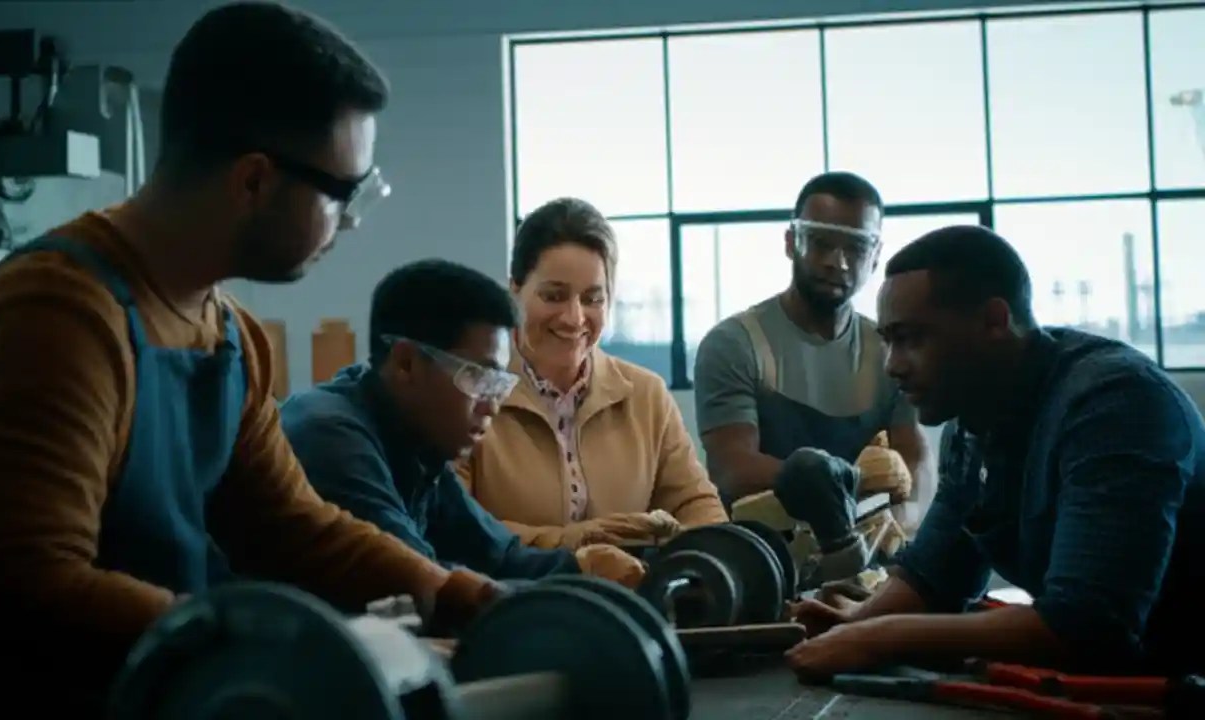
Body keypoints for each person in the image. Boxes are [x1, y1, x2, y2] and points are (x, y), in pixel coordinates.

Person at [0, 3, 502, 713]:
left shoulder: (229, 333)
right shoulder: (57, 317)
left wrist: (452, 593)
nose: (349, 224)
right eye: (343, 194)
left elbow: (289, 524)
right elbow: (23, 586)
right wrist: (279, 643)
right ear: (254, 181)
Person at [786, 225, 1205, 678]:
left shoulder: (1116, 404)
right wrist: (854, 625)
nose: (893, 366)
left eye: (912, 339)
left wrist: (878, 638)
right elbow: (933, 575)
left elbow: (1085, 627)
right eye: (889, 340)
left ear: (994, 321)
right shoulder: (971, 419)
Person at [280, 259, 645, 587]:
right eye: (477, 377)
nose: (492, 405)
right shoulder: (329, 437)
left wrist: (580, 566)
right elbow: (425, 583)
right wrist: (576, 587)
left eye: (498, 384)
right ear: (406, 363)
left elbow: (498, 556)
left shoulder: (418, 443)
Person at [693, 172, 932, 580]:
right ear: (791, 242)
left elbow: (915, 462)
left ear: (875, 256)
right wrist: (834, 487)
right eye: (821, 242)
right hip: (765, 567)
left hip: (871, 566)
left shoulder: (889, 349)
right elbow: (732, 467)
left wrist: (899, 529)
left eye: (856, 247)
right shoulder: (735, 343)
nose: (837, 262)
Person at [456, 197, 728, 550]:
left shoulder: (646, 395)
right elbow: (453, 527)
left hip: (631, 585)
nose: (574, 318)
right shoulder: (471, 392)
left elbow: (698, 506)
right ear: (514, 291)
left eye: (592, 299)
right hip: (508, 585)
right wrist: (578, 543)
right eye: (554, 296)